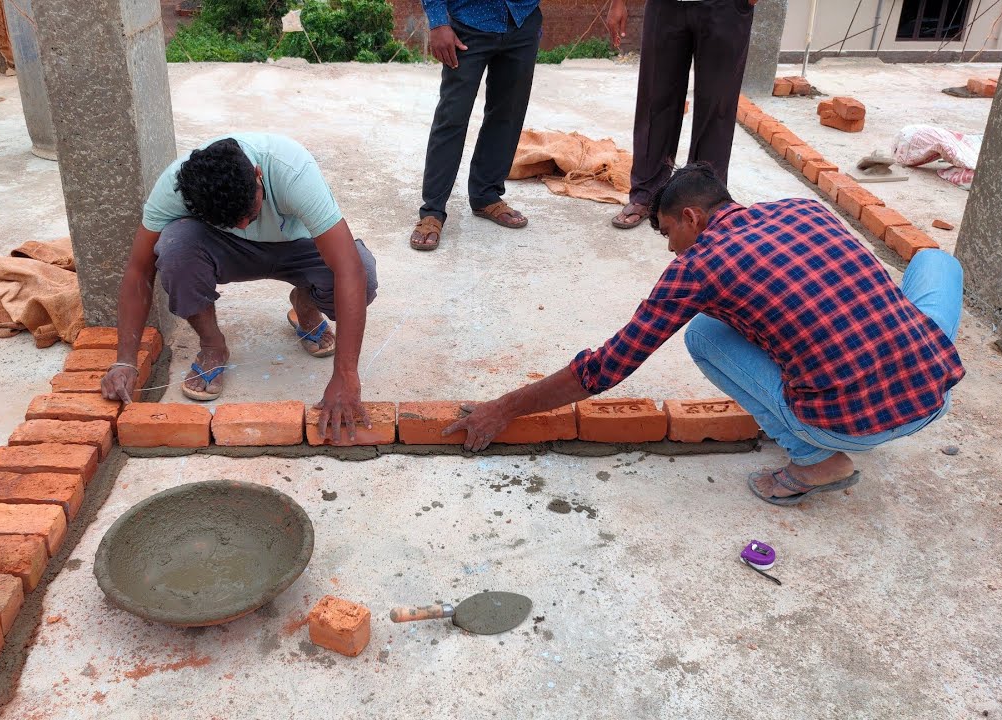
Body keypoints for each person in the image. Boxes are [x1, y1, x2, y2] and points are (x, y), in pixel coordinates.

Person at [447, 164, 966, 506]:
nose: (672, 249)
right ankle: (893, 377)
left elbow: (605, 367)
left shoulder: (697, 267)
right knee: (936, 263)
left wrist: (506, 407)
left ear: (691, 217)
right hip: (933, 391)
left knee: (704, 336)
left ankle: (817, 460)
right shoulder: (804, 208)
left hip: (846, 426)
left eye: (669, 232)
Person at [100, 133, 379, 441]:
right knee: (175, 250)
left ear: (258, 176)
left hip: (298, 247)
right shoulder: (175, 188)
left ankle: (305, 305)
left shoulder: (291, 169)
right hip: (231, 252)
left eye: (250, 212)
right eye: (232, 221)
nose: (245, 225)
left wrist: (346, 375)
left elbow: (349, 269)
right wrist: (124, 360)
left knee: (363, 272)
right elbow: (139, 271)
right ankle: (212, 345)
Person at [605, 0, 757, 229]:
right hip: (665, 6)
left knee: (717, 107)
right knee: (655, 100)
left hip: (725, 8)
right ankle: (646, 195)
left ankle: (704, 202)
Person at [408, 0, 544, 251]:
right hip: (468, 22)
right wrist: (438, 22)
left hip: (522, 20)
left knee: (507, 114)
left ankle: (486, 195)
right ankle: (433, 210)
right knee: (452, 117)